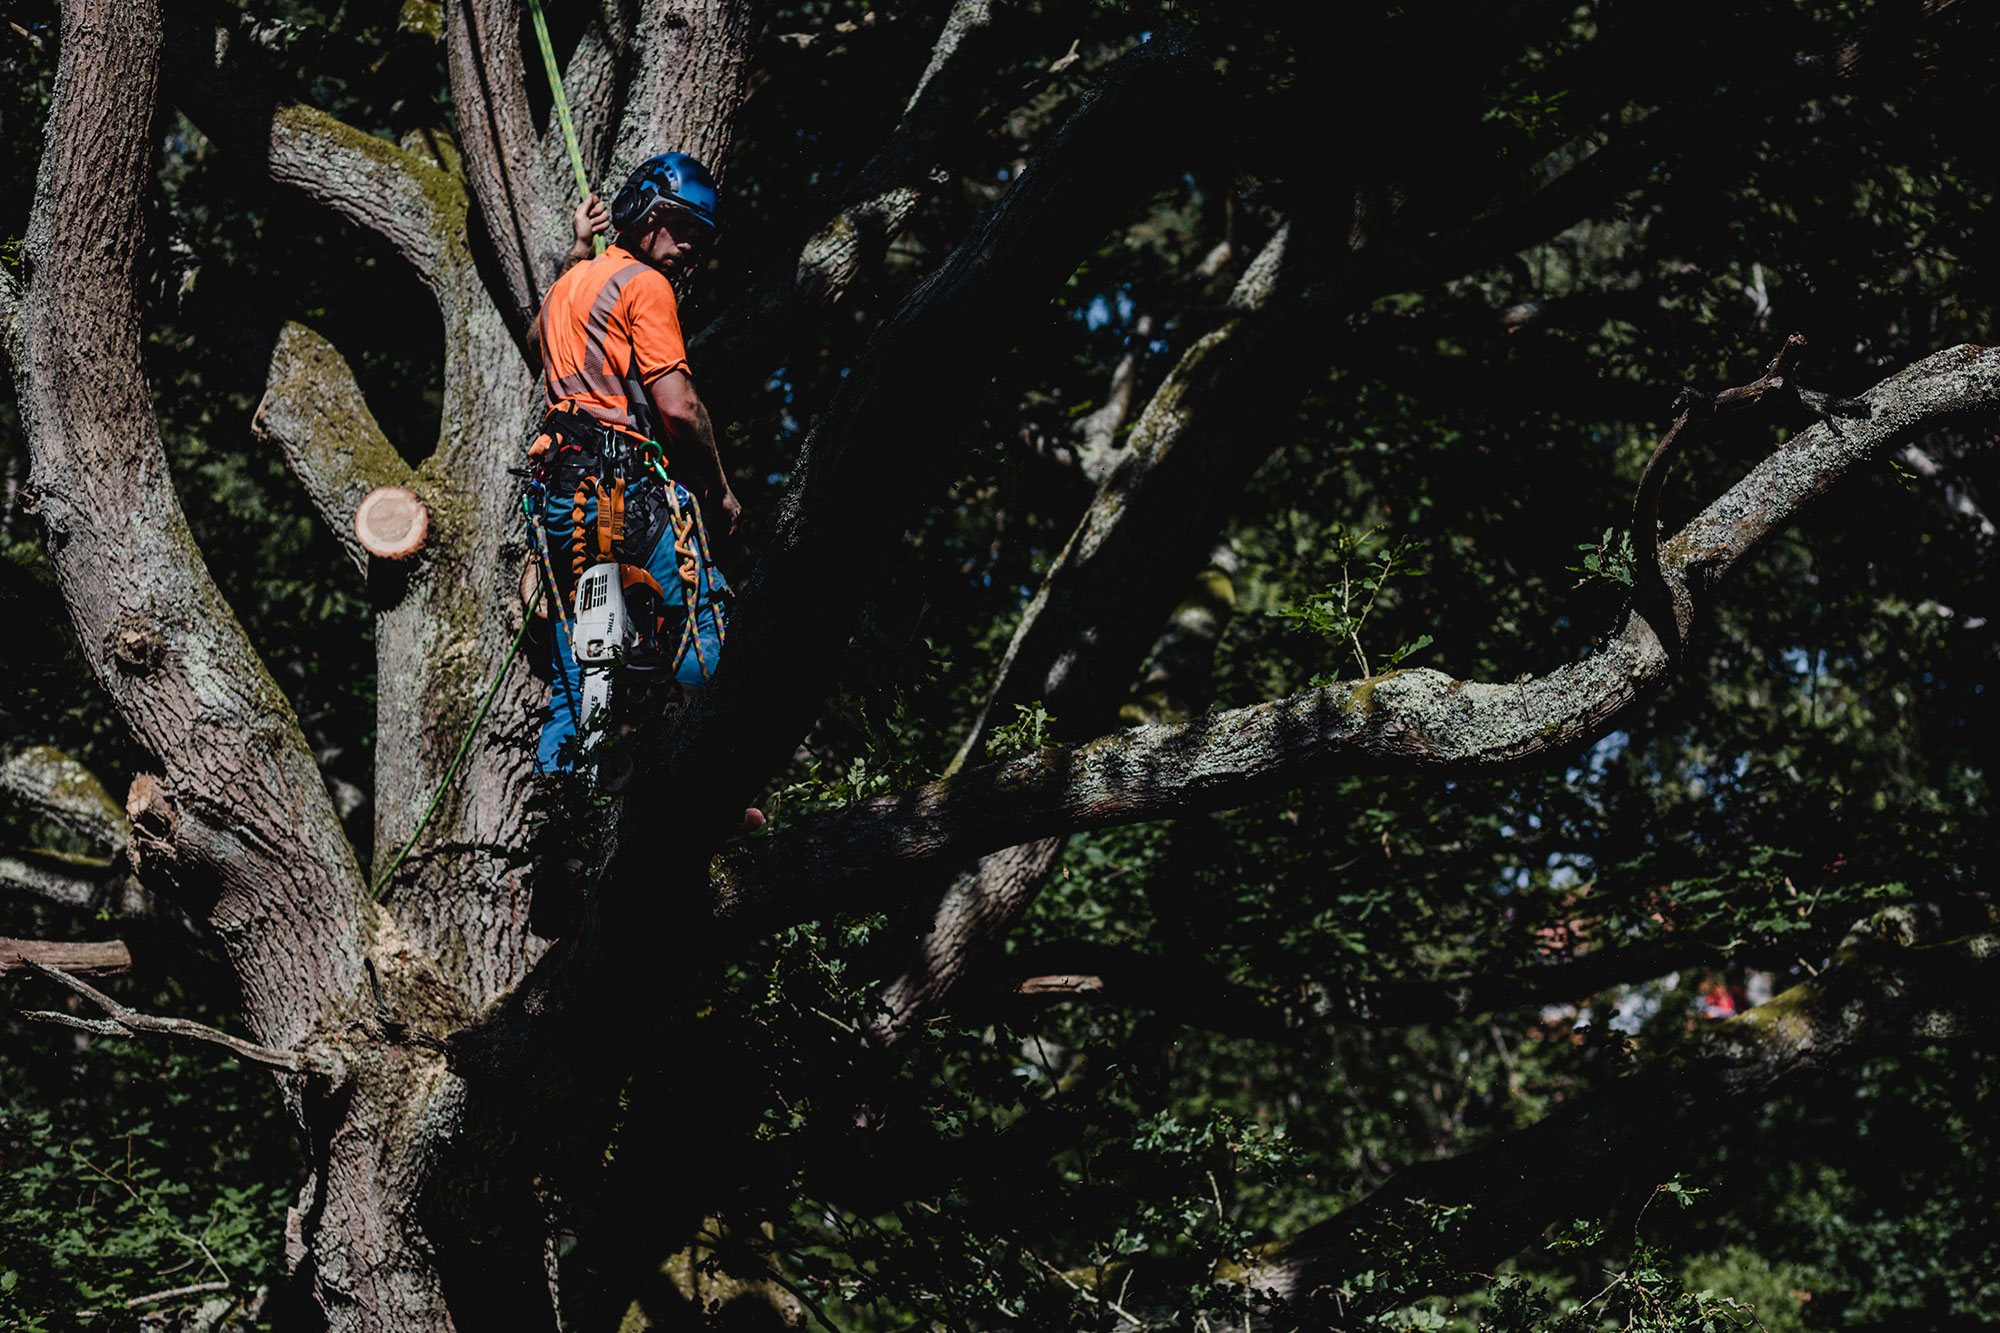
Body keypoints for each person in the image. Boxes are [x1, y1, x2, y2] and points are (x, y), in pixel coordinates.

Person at [525, 151, 742, 774]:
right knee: (704, 621)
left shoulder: (574, 282)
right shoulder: (646, 286)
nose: (688, 249)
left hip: (561, 497)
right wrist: (720, 491)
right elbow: (677, 409)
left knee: (580, 667)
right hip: (625, 484)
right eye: (681, 229)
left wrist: (577, 249)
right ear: (645, 213)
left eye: (700, 240)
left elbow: (540, 341)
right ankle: (713, 787)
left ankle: (565, 823)